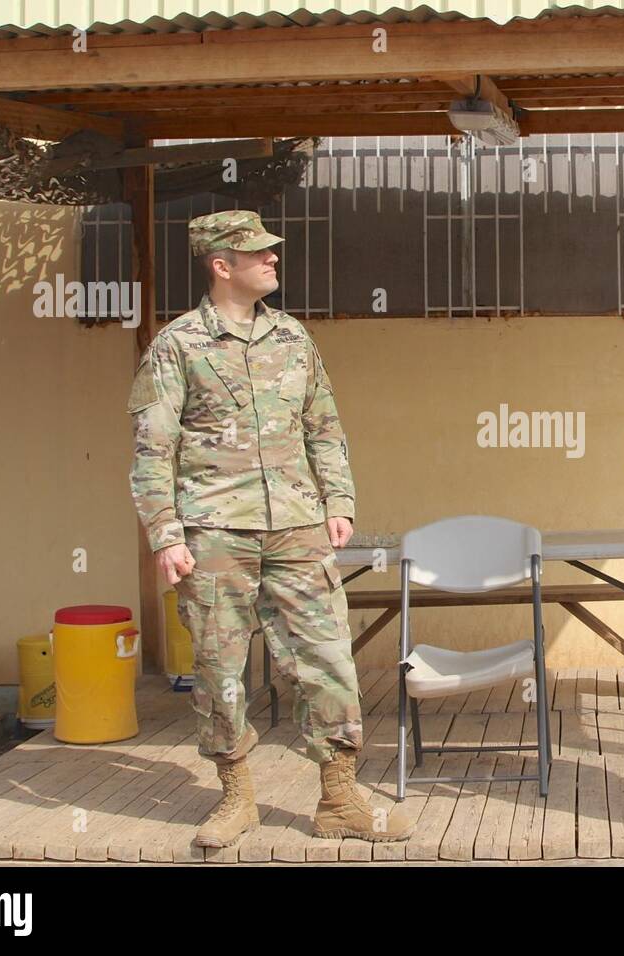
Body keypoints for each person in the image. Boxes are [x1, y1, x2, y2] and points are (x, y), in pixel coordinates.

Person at [126, 209, 411, 847]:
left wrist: (339, 501)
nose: (272, 259)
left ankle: (339, 797)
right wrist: (166, 534)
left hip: (297, 527)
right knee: (220, 665)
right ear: (220, 265)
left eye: (271, 252)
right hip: (214, 531)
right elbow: (151, 450)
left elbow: (325, 426)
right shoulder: (177, 346)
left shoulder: (293, 338)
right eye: (256, 253)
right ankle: (237, 799)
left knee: (330, 657)